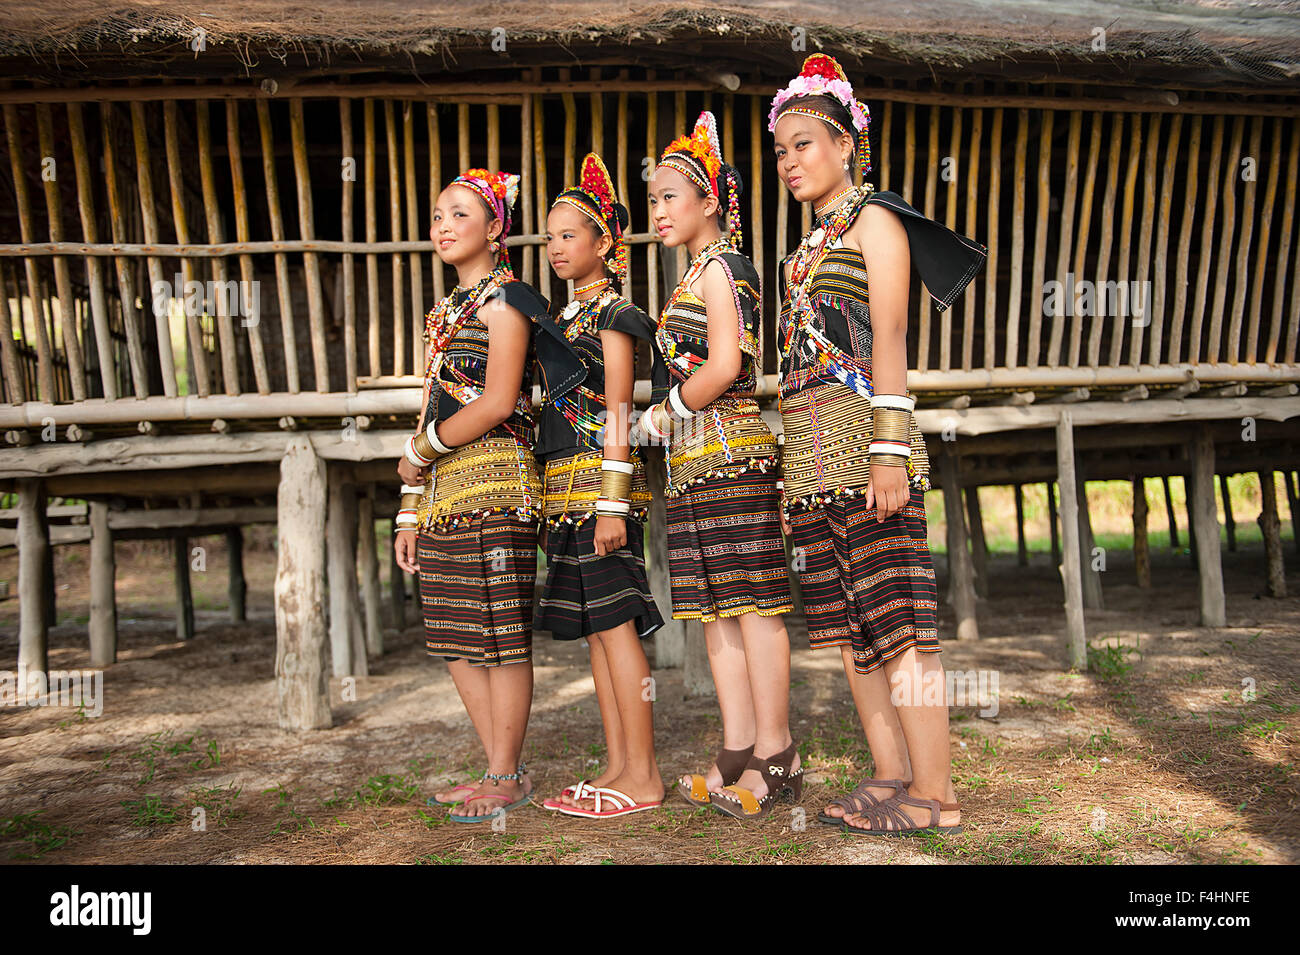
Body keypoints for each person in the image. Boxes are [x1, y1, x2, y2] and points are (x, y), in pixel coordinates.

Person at [769, 54, 987, 835]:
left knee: (902, 626)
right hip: (813, 462)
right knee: (851, 630)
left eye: (805, 145)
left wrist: (888, 451)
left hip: (869, 451)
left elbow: (889, 337)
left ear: (846, 144)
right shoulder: (806, 248)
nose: (791, 162)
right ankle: (892, 772)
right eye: (782, 150)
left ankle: (936, 794)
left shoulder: (877, 224)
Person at [635, 110, 800, 821]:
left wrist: (660, 413)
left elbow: (730, 363)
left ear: (709, 202)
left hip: (731, 453)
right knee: (714, 612)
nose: (659, 210)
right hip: (695, 465)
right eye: (653, 198)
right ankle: (738, 747)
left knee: (756, 606)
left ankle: (778, 751)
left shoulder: (727, 268)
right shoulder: (691, 277)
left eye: (671, 195)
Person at [393, 168, 548, 824]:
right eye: (436, 216)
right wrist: (409, 504)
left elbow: (497, 401)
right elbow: (432, 401)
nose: (444, 226)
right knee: (455, 632)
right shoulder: (442, 312)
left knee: (500, 635)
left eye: (459, 214)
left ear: (495, 228)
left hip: (499, 478)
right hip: (445, 490)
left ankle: (505, 774)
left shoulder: (510, 299)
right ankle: (494, 768)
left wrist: (420, 450)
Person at [533, 152, 666, 818]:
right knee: (595, 632)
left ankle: (643, 775)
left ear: (604, 243)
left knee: (617, 627)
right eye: (550, 236)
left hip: (601, 491)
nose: (555, 247)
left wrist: (613, 501)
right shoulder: (561, 323)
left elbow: (618, 408)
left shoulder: (617, 316)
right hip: (563, 491)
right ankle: (617, 765)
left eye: (568, 235)